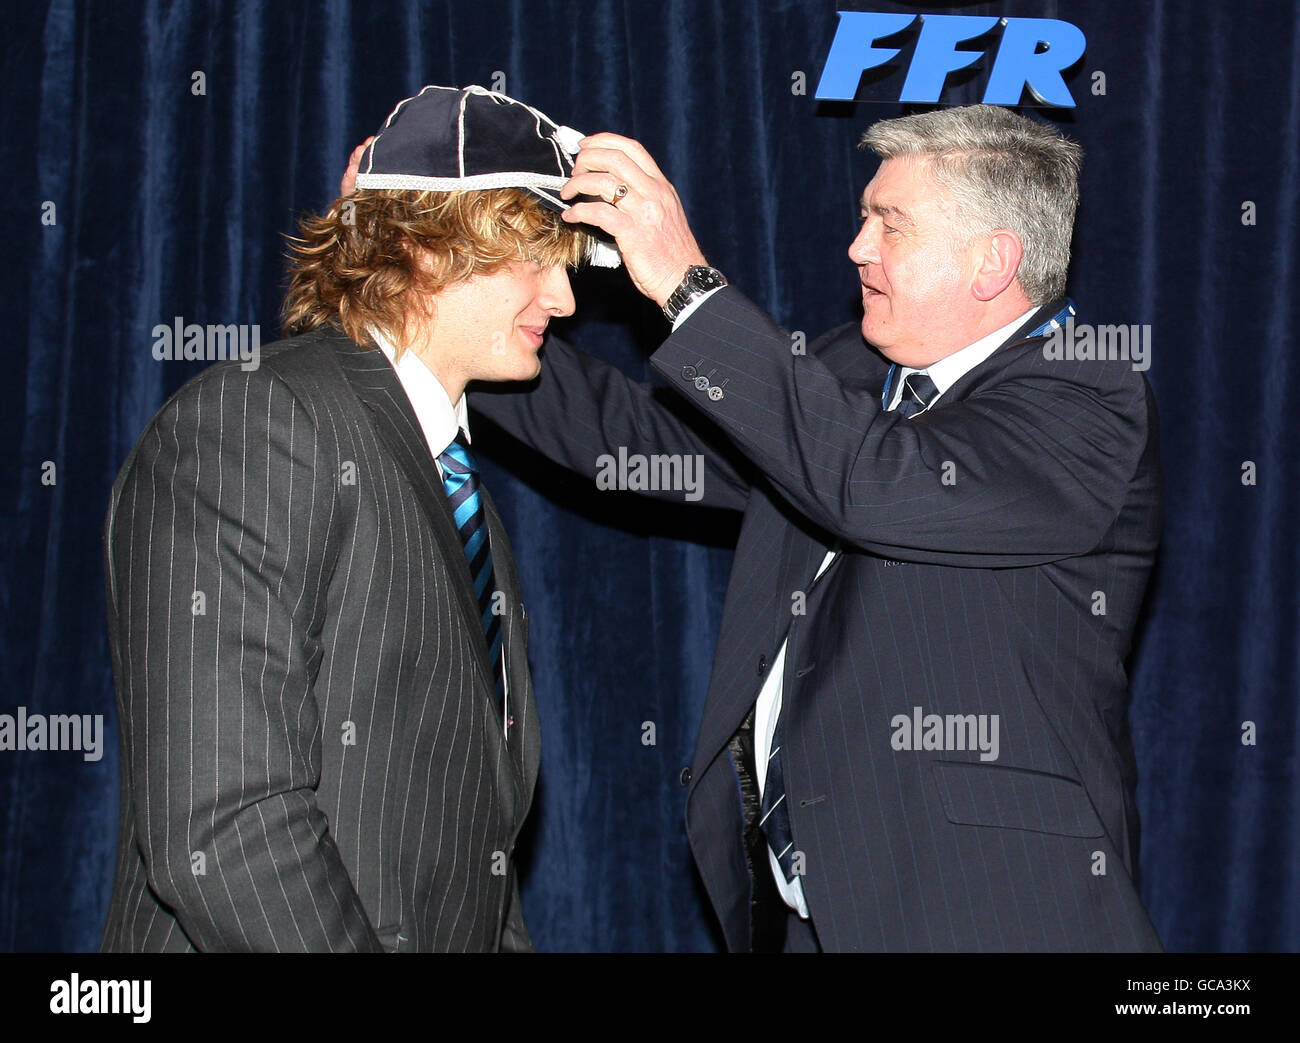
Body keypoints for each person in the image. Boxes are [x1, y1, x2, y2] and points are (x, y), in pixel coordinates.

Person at [435, 103, 1162, 952]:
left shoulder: (1087, 394)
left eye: (889, 224)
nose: (858, 246)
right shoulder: (856, 369)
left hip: (997, 914)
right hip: (826, 915)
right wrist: (457, 313)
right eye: (863, 218)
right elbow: (642, 442)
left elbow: (875, 484)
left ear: (992, 261)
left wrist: (686, 285)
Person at [100, 84, 596, 952]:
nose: (564, 297)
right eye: (535, 253)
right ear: (419, 245)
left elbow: (480, 858)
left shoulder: (445, 470)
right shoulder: (258, 421)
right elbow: (225, 827)